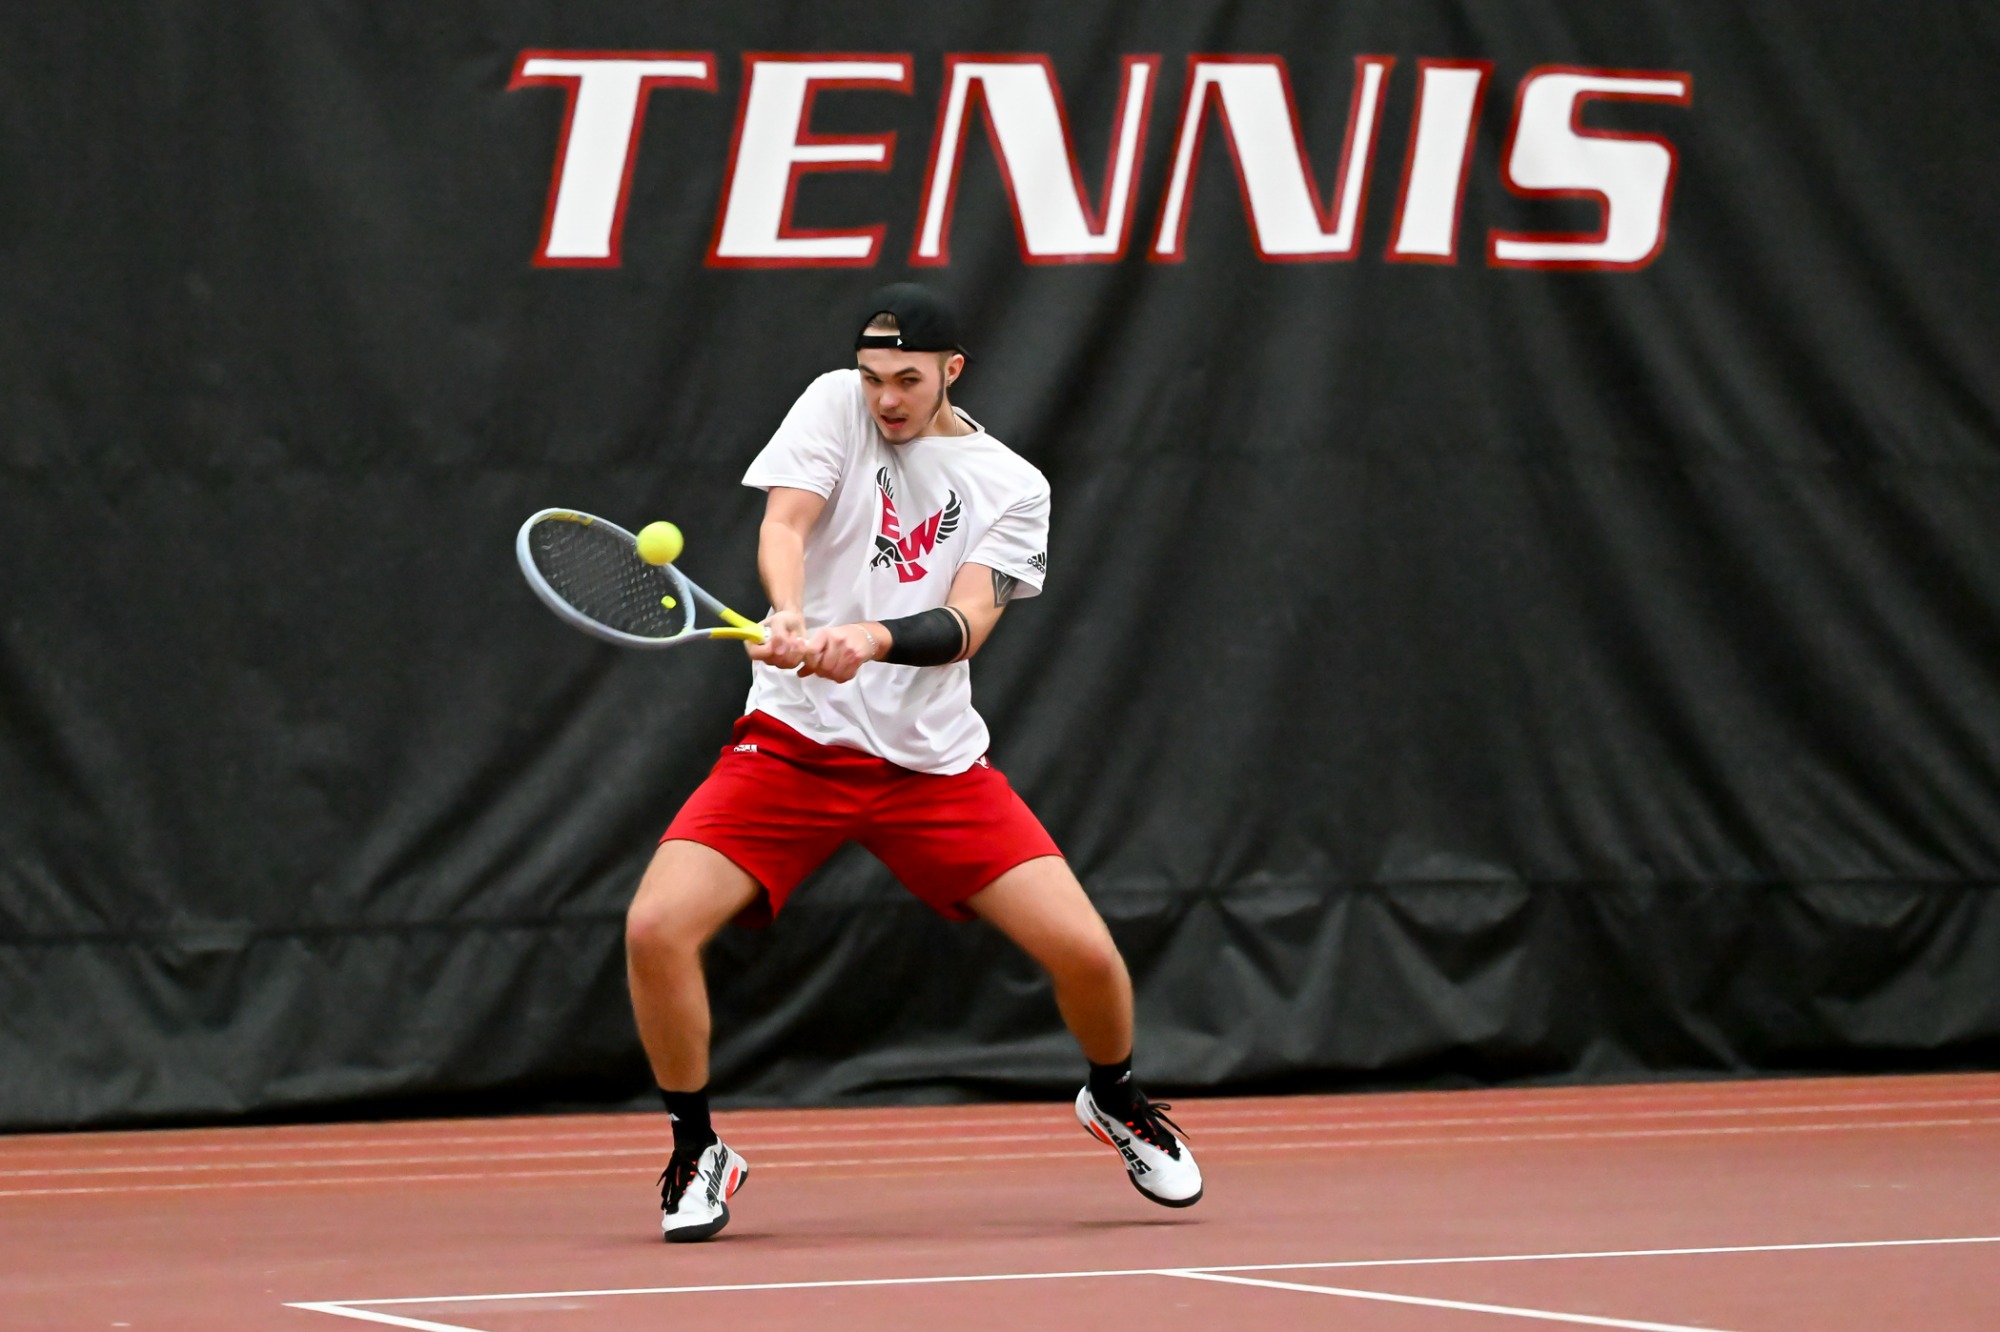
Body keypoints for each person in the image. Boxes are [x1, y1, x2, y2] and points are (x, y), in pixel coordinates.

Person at [623, 283, 1201, 1242]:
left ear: (951, 373)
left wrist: (872, 639)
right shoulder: (832, 404)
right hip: (793, 750)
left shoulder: (1014, 487)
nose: (885, 398)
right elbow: (786, 523)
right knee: (654, 929)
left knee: (1090, 958)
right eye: (873, 377)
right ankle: (697, 1146)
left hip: (932, 770)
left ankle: (1115, 1097)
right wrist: (794, 611)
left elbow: (969, 622)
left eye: (905, 380)